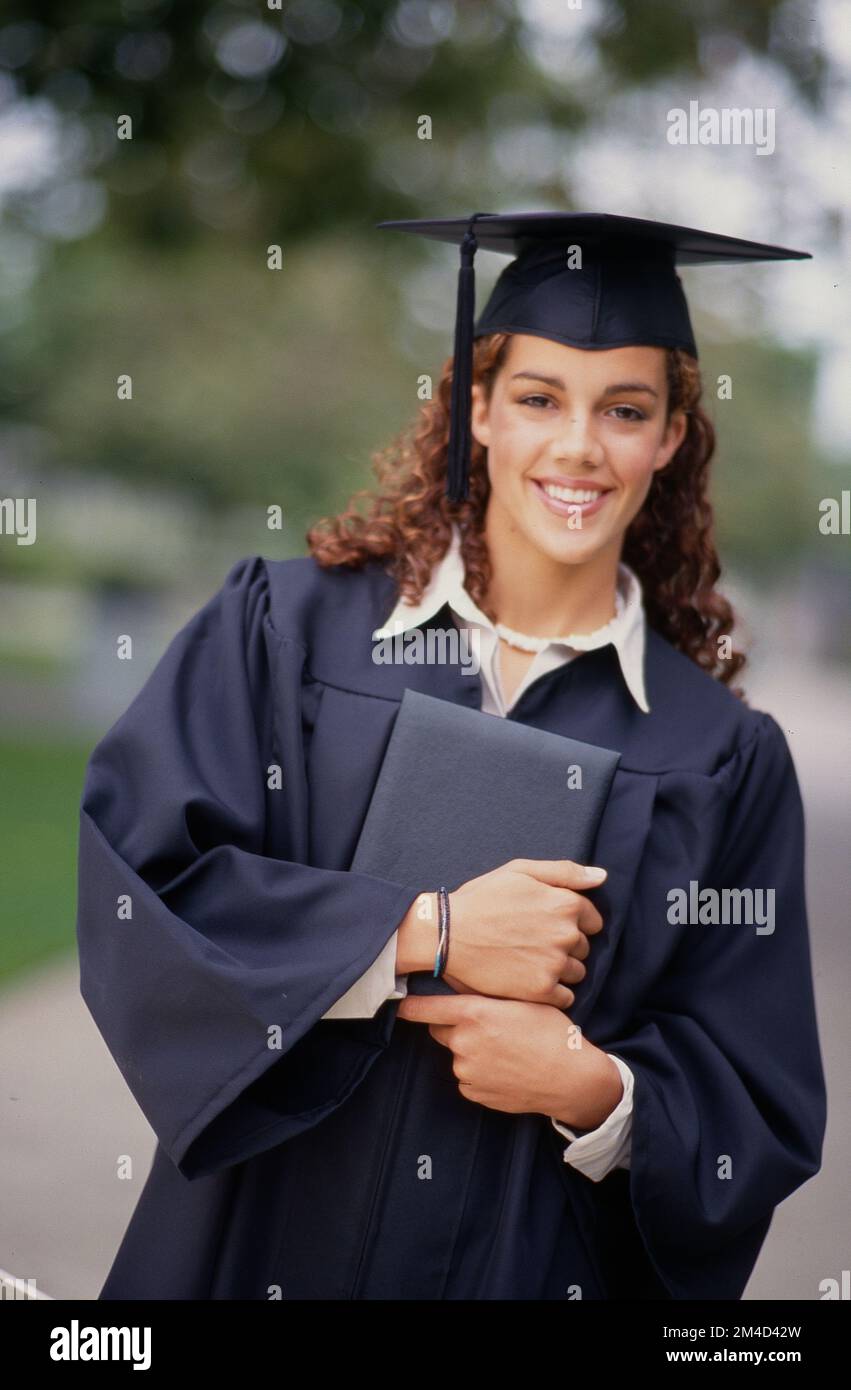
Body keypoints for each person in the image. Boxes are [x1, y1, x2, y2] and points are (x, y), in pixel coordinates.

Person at [77, 212, 826, 1301]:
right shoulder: (284, 634)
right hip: (249, 1251)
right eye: (538, 398)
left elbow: (753, 1100)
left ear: (669, 437)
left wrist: (587, 1087)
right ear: (476, 409)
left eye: (623, 409)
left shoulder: (720, 758)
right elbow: (142, 886)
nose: (577, 446)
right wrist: (422, 934)